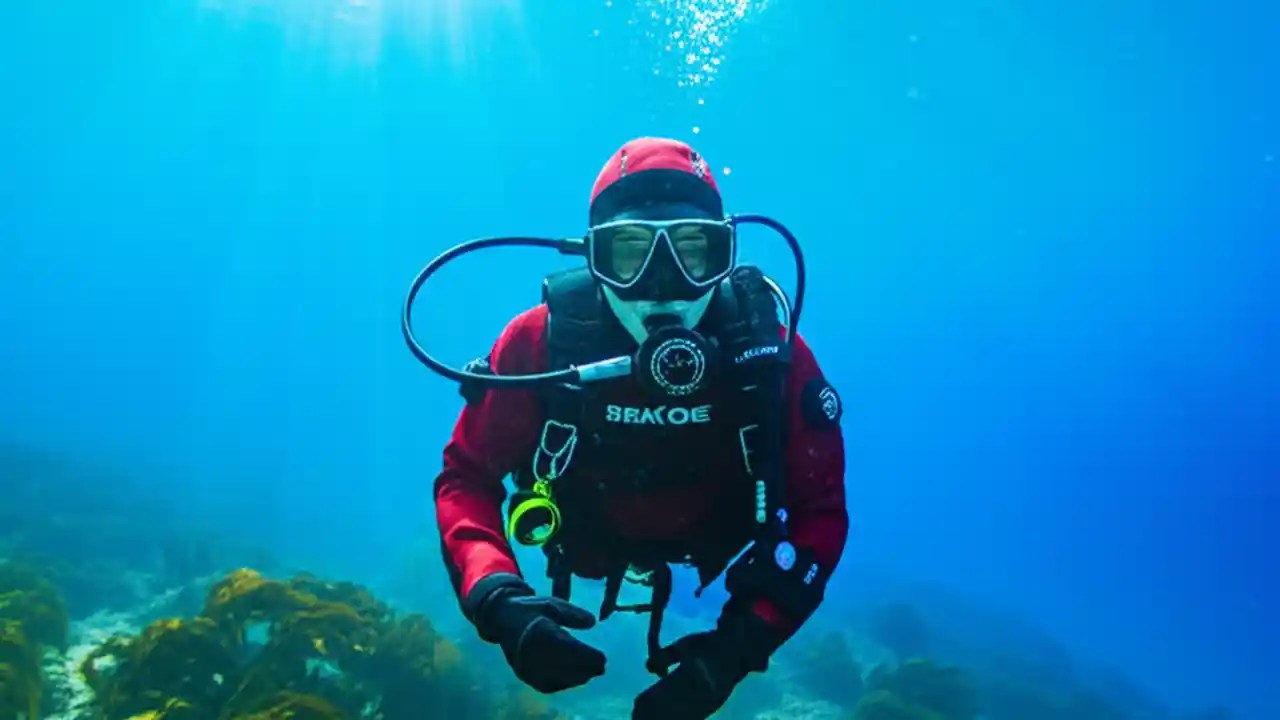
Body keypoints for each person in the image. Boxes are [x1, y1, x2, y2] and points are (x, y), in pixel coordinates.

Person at [415, 137, 848, 720]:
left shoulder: (772, 359)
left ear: (726, 254)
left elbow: (819, 510)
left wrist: (737, 650)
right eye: (629, 254)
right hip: (585, 534)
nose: (662, 286)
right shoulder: (541, 346)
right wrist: (499, 601)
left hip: (712, 539)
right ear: (592, 259)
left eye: (695, 252)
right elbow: (467, 478)